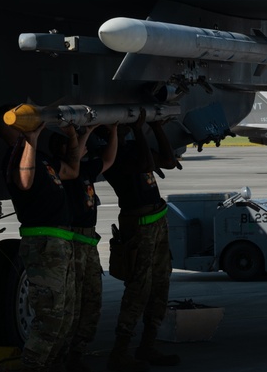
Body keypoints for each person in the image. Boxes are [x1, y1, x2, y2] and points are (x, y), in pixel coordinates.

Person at [0, 115, 84, 372]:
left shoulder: (43, 158)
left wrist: (73, 135)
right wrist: (31, 141)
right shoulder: (16, 155)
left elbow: (72, 170)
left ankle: (51, 364)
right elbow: (24, 182)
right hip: (44, 243)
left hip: (61, 242)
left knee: (66, 315)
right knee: (50, 317)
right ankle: (31, 365)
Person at [103, 116, 181, 372]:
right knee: (139, 288)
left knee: (161, 283)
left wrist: (157, 128)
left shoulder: (134, 147)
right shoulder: (110, 156)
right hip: (138, 225)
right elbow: (146, 163)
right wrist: (139, 131)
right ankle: (120, 351)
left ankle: (147, 344)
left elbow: (169, 161)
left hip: (157, 221)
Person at [63, 122, 119, 372]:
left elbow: (108, 160)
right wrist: (84, 133)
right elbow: (74, 157)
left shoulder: (86, 169)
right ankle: (63, 352)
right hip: (73, 242)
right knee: (71, 303)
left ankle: (77, 352)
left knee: (92, 301)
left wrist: (114, 132)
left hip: (88, 243)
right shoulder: (66, 173)